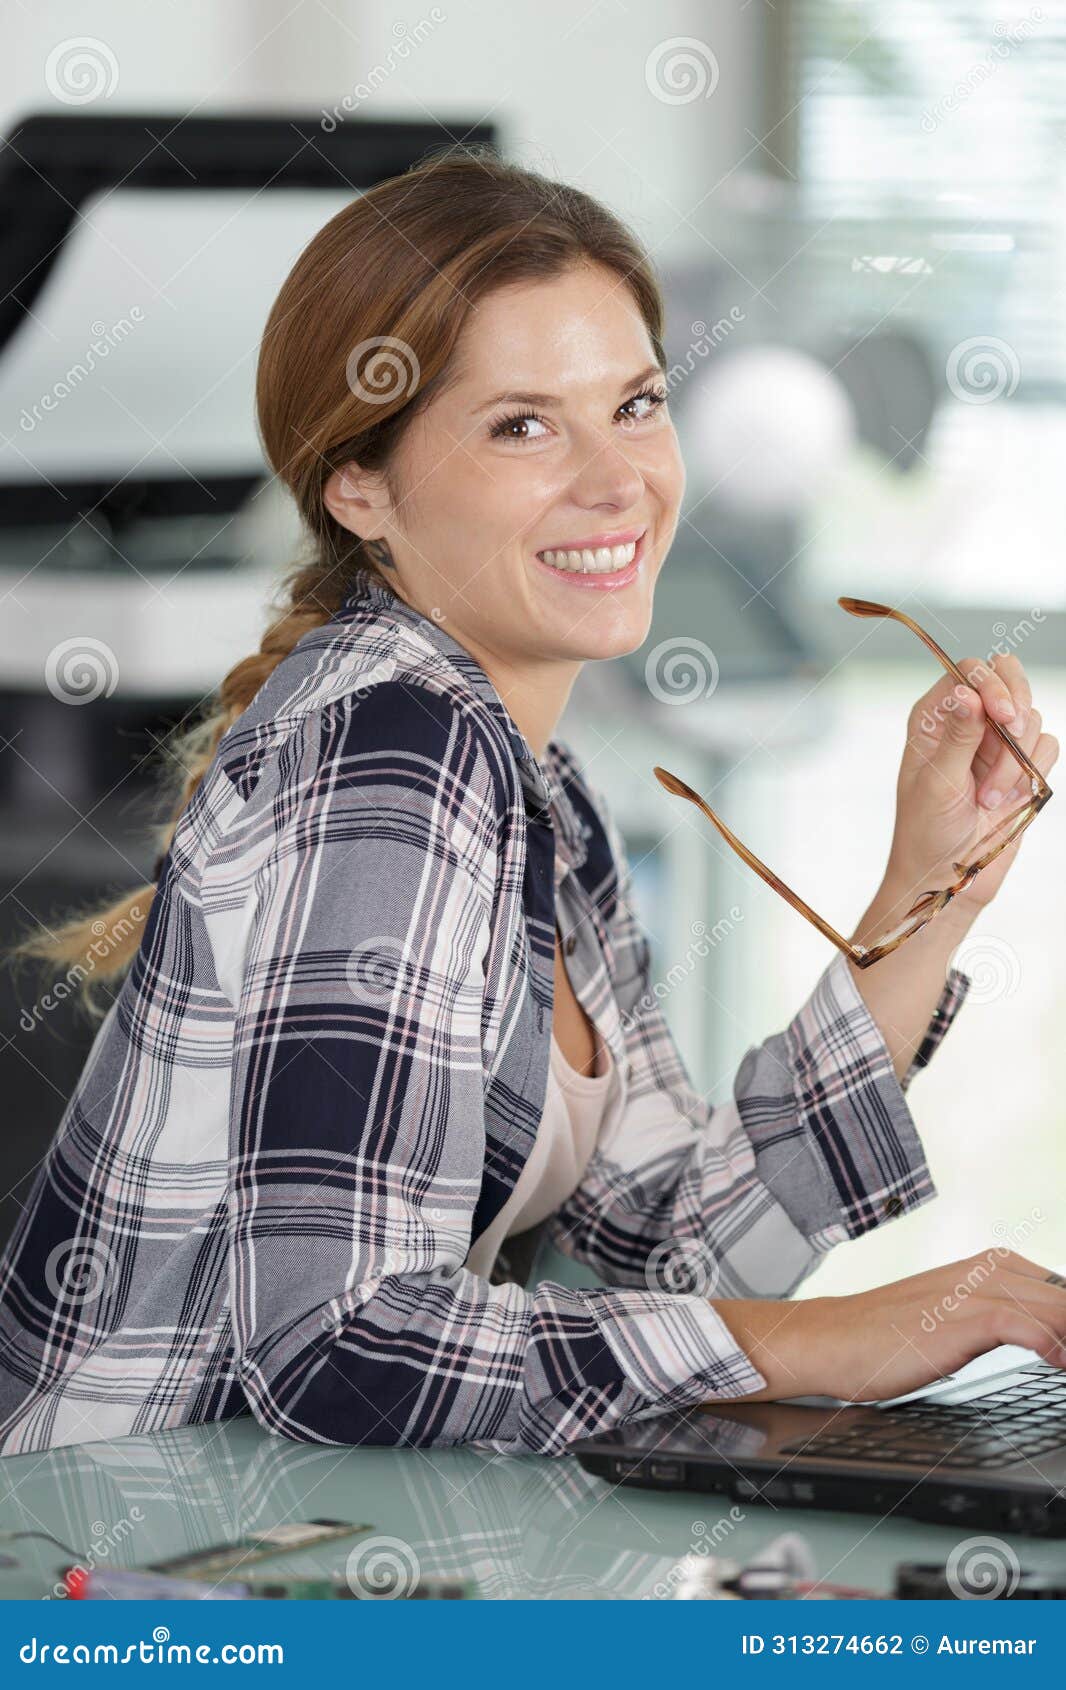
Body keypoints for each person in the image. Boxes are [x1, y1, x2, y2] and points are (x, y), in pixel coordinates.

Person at [0, 148, 1060, 1460]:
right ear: (360, 487)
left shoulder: (542, 796)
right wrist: (834, 1339)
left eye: (636, 404)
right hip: (120, 1569)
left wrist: (925, 893)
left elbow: (666, 1253)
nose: (619, 481)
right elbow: (339, 1345)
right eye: (521, 423)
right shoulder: (394, 752)